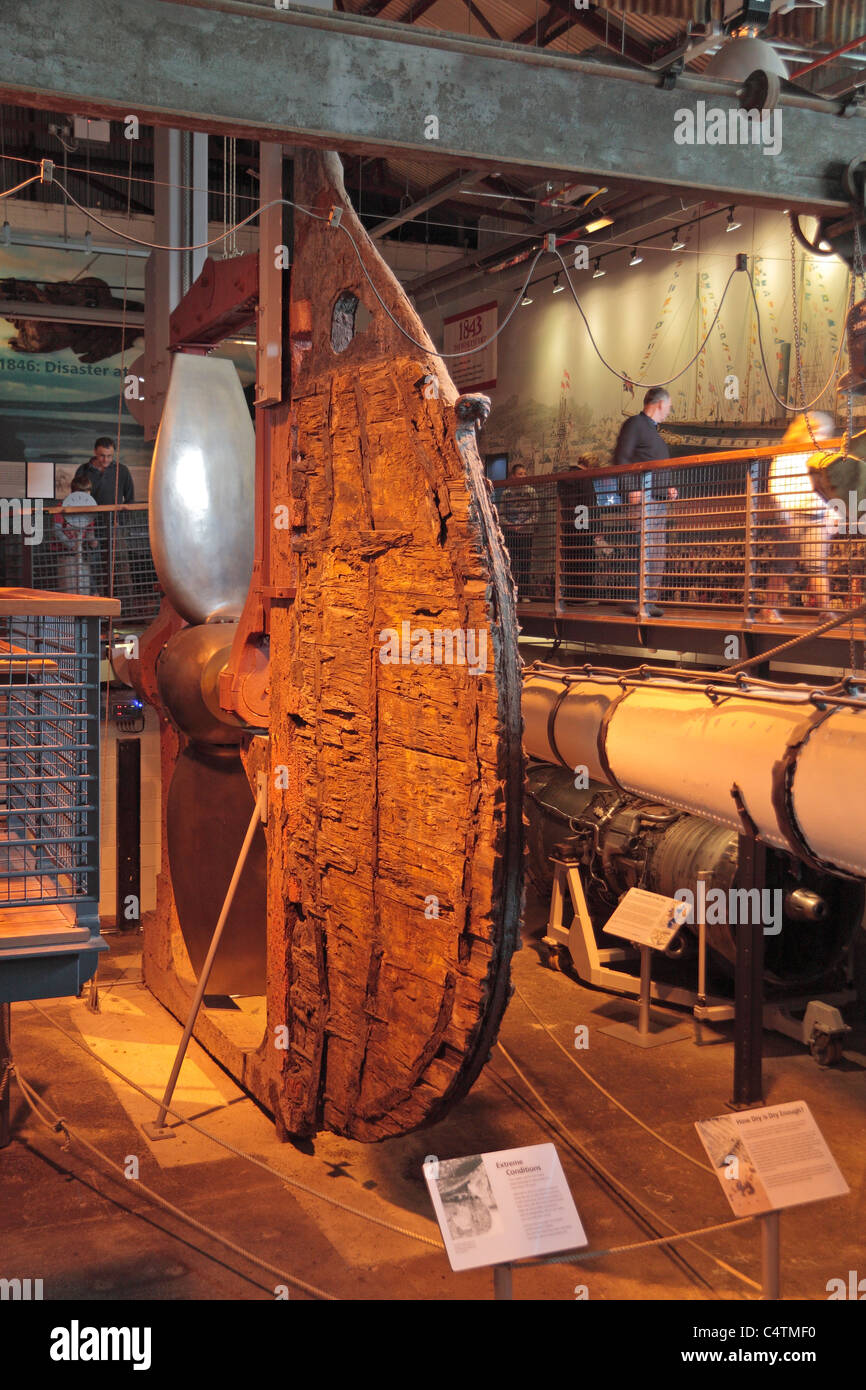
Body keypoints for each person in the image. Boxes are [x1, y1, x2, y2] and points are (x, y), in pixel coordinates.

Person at [758, 411, 836, 622]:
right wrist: (784, 516)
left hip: (817, 518)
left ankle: (826, 612)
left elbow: (831, 489)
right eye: (818, 431)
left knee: (817, 566)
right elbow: (776, 486)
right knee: (783, 566)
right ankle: (768, 609)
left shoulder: (825, 454)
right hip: (792, 516)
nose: (822, 435)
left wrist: (832, 515)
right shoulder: (786, 455)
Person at [609, 386, 678, 616]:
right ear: (660, 404)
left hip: (657, 499)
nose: (669, 411)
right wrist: (630, 488)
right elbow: (622, 457)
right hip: (643, 498)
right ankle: (636, 600)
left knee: (657, 551)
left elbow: (651, 462)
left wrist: (667, 486)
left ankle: (649, 600)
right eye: (668, 406)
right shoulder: (635, 425)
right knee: (643, 549)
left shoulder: (653, 432)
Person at [83, 436, 134, 601]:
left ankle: (126, 610)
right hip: (90, 528)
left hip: (115, 527)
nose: (105, 459)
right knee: (94, 567)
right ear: (94, 453)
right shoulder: (83, 471)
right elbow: (76, 497)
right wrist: (84, 525)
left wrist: (121, 522)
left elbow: (130, 499)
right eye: (102, 456)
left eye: (109, 456)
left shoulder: (123, 471)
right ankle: (98, 609)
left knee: (121, 567)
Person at [54, 467, 99, 594]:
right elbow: (57, 530)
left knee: (83, 585)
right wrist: (71, 545)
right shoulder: (61, 507)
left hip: (81, 553)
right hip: (65, 554)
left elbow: (90, 530)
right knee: (69, 586)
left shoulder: (89, 509)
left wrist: (92, 540)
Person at [499, 463, 539, 596]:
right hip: (510, 533)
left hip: (526, 532)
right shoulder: (507, 493)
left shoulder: (531, 491)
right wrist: (509, 525)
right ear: (513, 476)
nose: (523, 476)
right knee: (510, 562)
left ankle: (524, 593)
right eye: (520, 474)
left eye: (524, 473)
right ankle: (509, 591)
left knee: (525, 563)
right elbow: (501, 514)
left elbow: (535, 513)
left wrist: (524, 524)